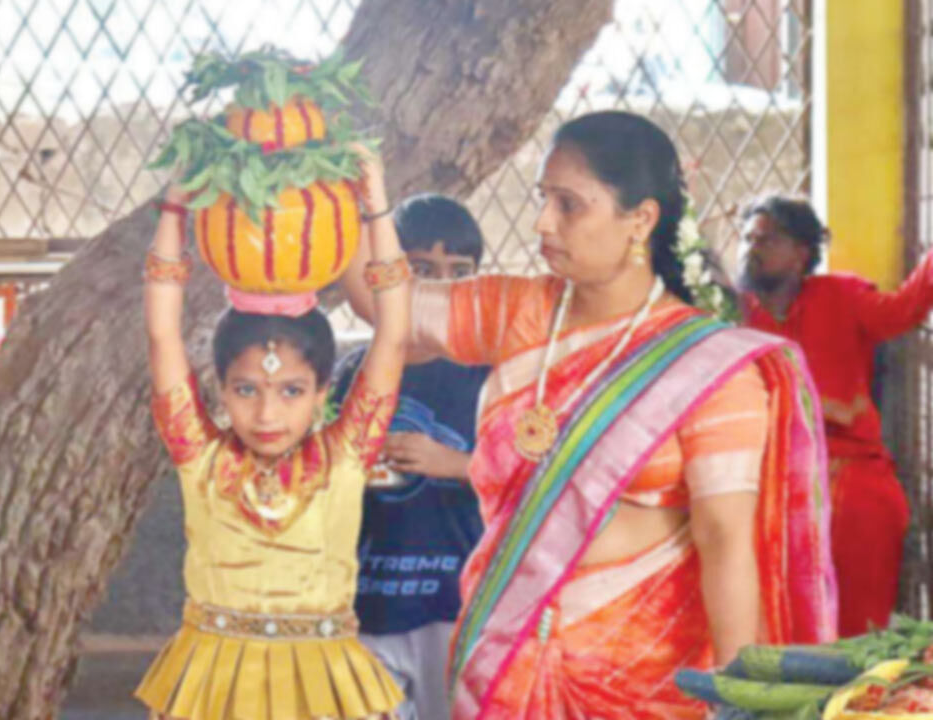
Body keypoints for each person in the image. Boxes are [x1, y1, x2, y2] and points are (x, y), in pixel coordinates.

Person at [344, 111, 837, 720]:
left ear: (642, 219)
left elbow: (726, 541)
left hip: (645, 685)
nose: (542, 222)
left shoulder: (706, 368)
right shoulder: (518, 312)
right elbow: (383, 302)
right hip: (503, 667)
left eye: (569, 205)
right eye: (542, 199)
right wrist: (350, 194)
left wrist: (740, 702)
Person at [135, 146, 412, 720]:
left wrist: (376, 207)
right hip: (213, 685)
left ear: (322, 392)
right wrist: (174, 209)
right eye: (246, 390)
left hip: (326, 689)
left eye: (290, 391)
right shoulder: (199, 454)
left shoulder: (346, 454)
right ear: (219, 389)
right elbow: (163, 335)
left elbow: (394, 335)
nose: (267, 415)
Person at [739, 194, 933, 637]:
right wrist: (810, 404)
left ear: (801, 252)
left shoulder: (840, 295)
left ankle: (854, 685)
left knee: (867, 511)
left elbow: (903, 311)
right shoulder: (735, 316)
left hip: (851, 470)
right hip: (769, 475)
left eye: (767, 239)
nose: (753, 248)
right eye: (748, 238)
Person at [330, 194, 488, 720]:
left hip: (458, 607)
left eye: (457, 271)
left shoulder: (493, 376)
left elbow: (542, 477)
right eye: (421, 268)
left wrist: (457, 464)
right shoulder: (357, 373)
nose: (438, 284)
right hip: (368, 606)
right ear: (386, 273)